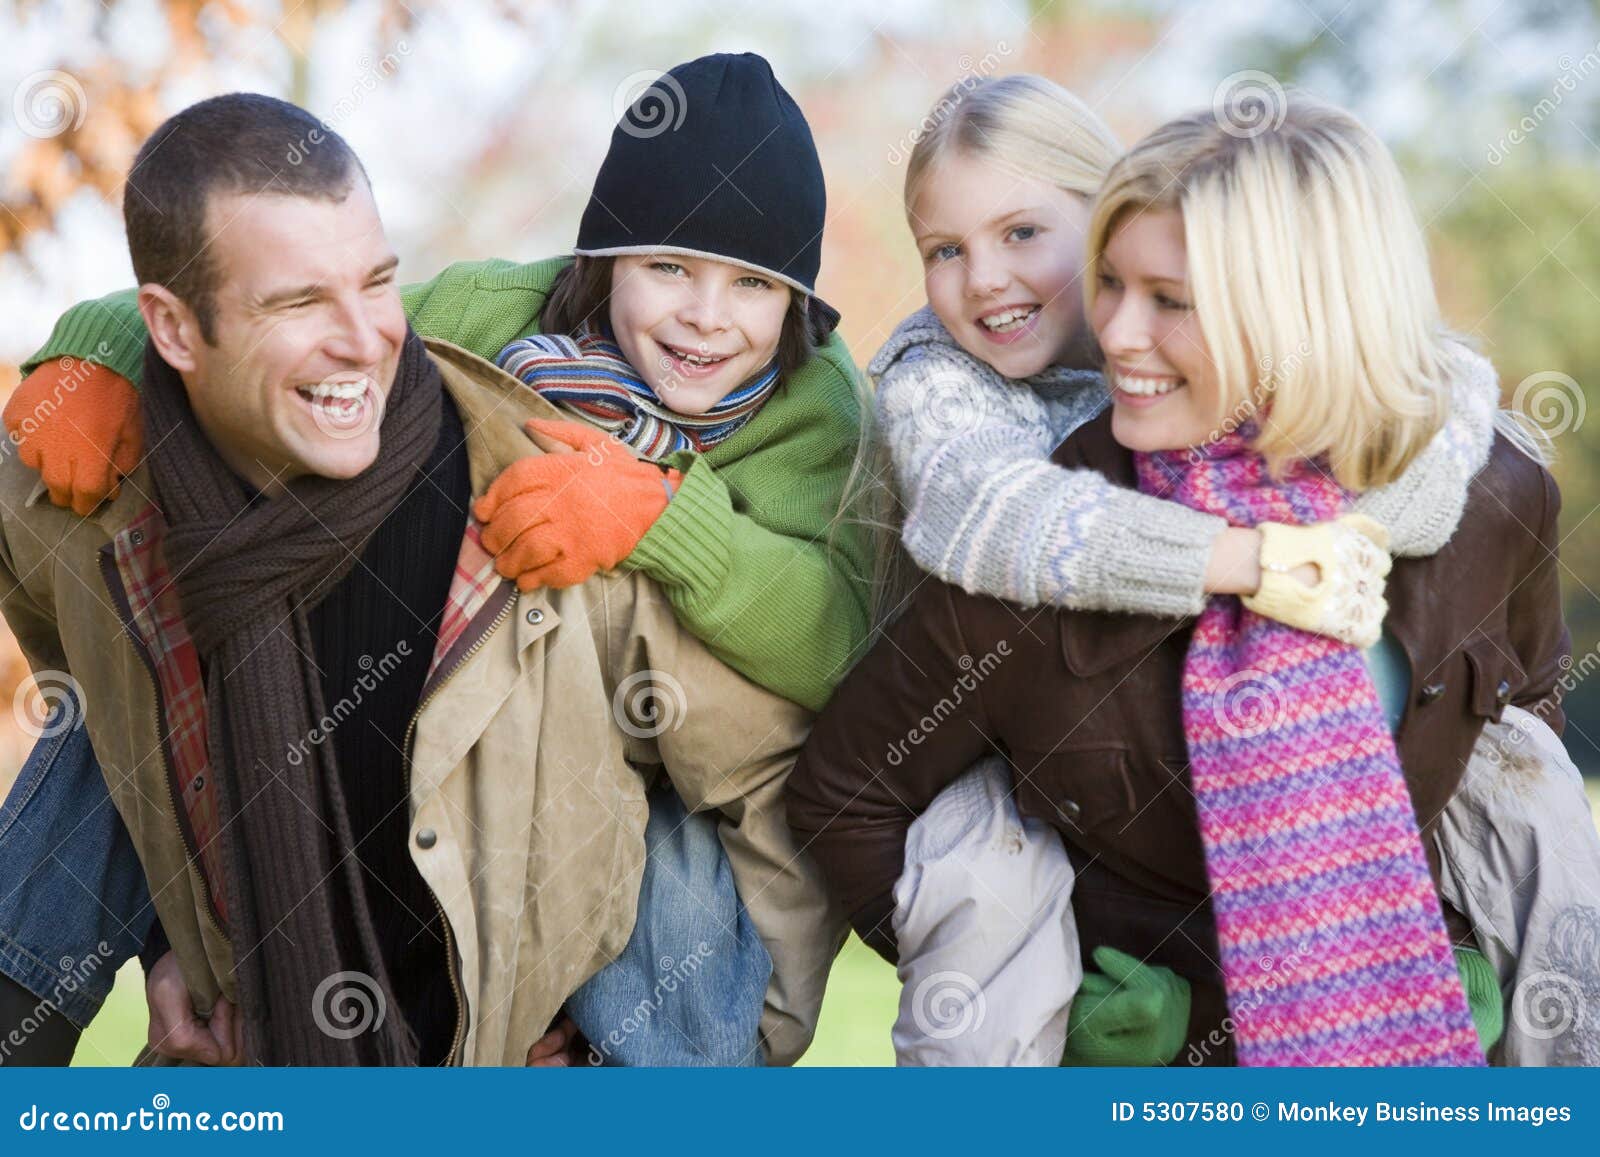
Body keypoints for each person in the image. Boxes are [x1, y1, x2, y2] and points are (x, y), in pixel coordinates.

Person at [0, 91, 830, 1066]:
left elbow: (798, 722)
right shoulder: (90, 495)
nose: (362, 336)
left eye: (376, 283)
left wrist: (703, 1052)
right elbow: (96, 685)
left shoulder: (574, 494)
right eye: (299, 301)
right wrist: (91, 352)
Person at [790, 92, 1569, 1066]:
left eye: (1168, 299)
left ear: (1296, 305)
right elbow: (843, 792)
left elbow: (1515, 708)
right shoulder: (1037, 539)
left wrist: (1443, 938)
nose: (1115, 333)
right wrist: (1063, 999)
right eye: (1109, 285)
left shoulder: (1486, 494)